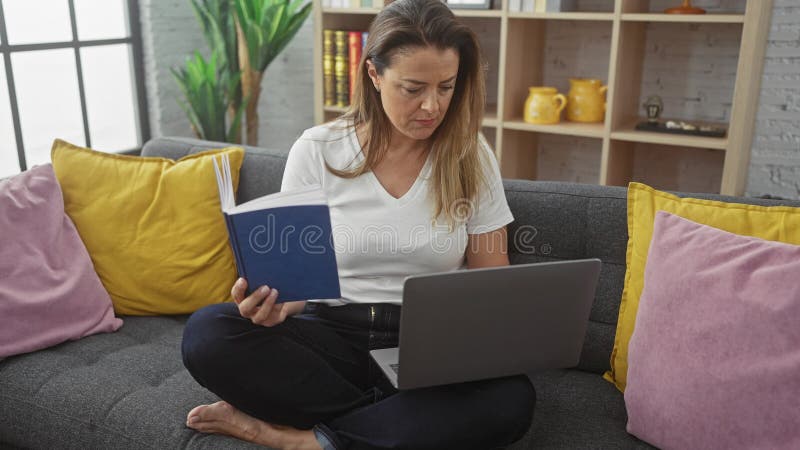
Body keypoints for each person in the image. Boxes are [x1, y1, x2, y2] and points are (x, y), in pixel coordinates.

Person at [180, 0, 536, 448]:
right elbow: (295, 292)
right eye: (413, 88)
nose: (432, 105)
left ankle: (297, 439)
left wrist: (505, 333)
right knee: (209, 333)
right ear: (373, 75)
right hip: (331, 338)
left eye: (446, 87)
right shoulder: (318, 149)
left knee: (511, 397)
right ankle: (393, 428)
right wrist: (271, 306)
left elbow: (491, 281)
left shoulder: (471, 154)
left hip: (430, 346)